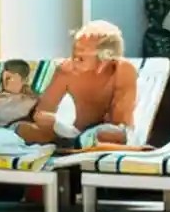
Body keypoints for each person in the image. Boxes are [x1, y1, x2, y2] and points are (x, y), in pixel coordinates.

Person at [16, 20, 137, 148]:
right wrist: (57, 124)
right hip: (72, 133)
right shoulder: (66, 70)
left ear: (104, 60)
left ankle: (79, 143)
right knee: (25, 130)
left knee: (110, 134)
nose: (74, 61)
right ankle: (77, 143)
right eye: (73, 53)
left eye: (81, 58)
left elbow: (121, 123)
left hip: (103, 134)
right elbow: (41, 113)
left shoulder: (122, 70)